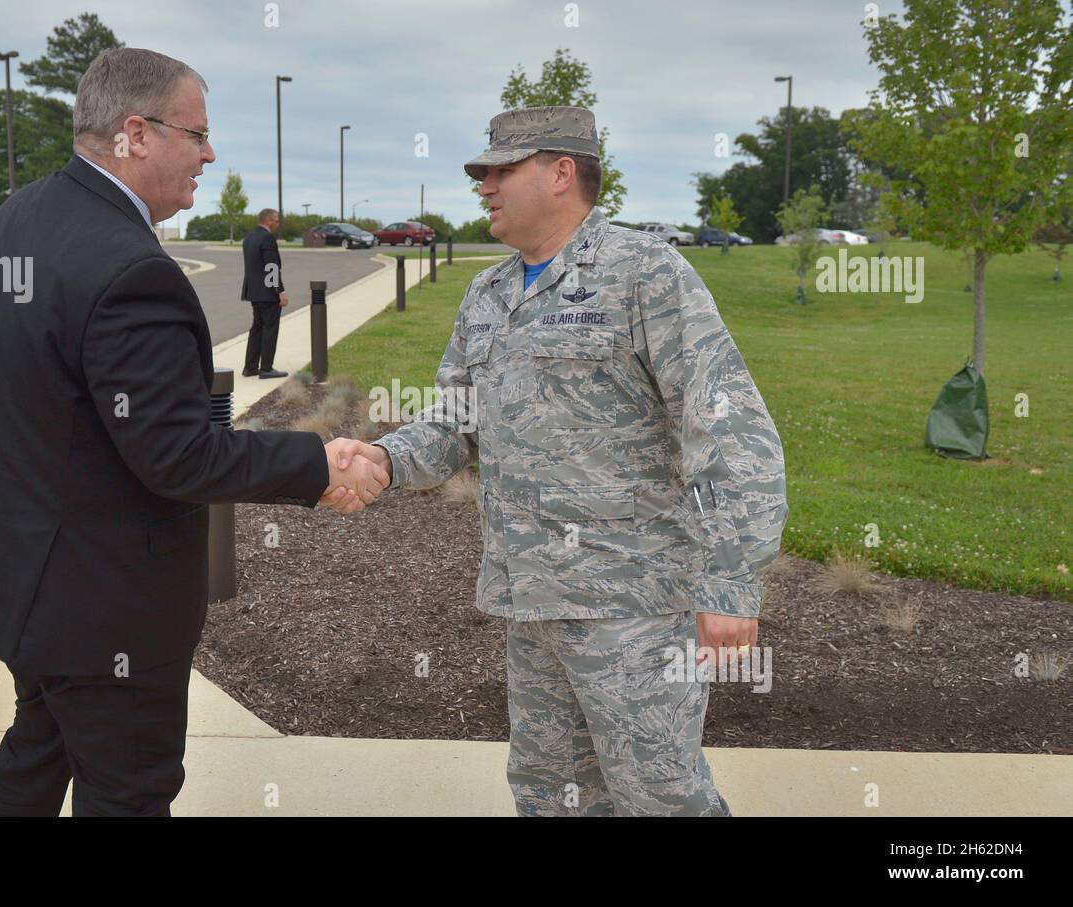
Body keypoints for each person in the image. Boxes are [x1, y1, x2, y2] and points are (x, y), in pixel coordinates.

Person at [0, 47, 384, 817]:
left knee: (38, 751)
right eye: (196, 134)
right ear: (135, 134)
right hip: (99, 603)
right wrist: (318, 460)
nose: (210, 153)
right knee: (126, 791)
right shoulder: (130, 268)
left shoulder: (19, 217)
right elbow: (177, 455)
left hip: (18, 573)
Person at [329, 106, 788, 816]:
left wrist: (731, 579)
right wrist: (383, 460)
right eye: (484, 170)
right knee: (551, 797)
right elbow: (455, 421)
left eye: (501, 169)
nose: (484, 184)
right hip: (530, 602)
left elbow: (728, 426)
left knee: (660, 796)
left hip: (632, 607)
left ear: (562, 172)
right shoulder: (488, 296)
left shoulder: (644, 273)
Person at [241, 208, 289, 379]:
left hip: (253, 291)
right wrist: (280, 292)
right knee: (270, 328)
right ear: (268, 220)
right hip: (268, 293)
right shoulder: (267, 238)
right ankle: (266, 368)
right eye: (276, 221)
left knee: (257, 328)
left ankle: (250, 367)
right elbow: (272, 267)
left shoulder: (250, 237)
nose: (277, 224)